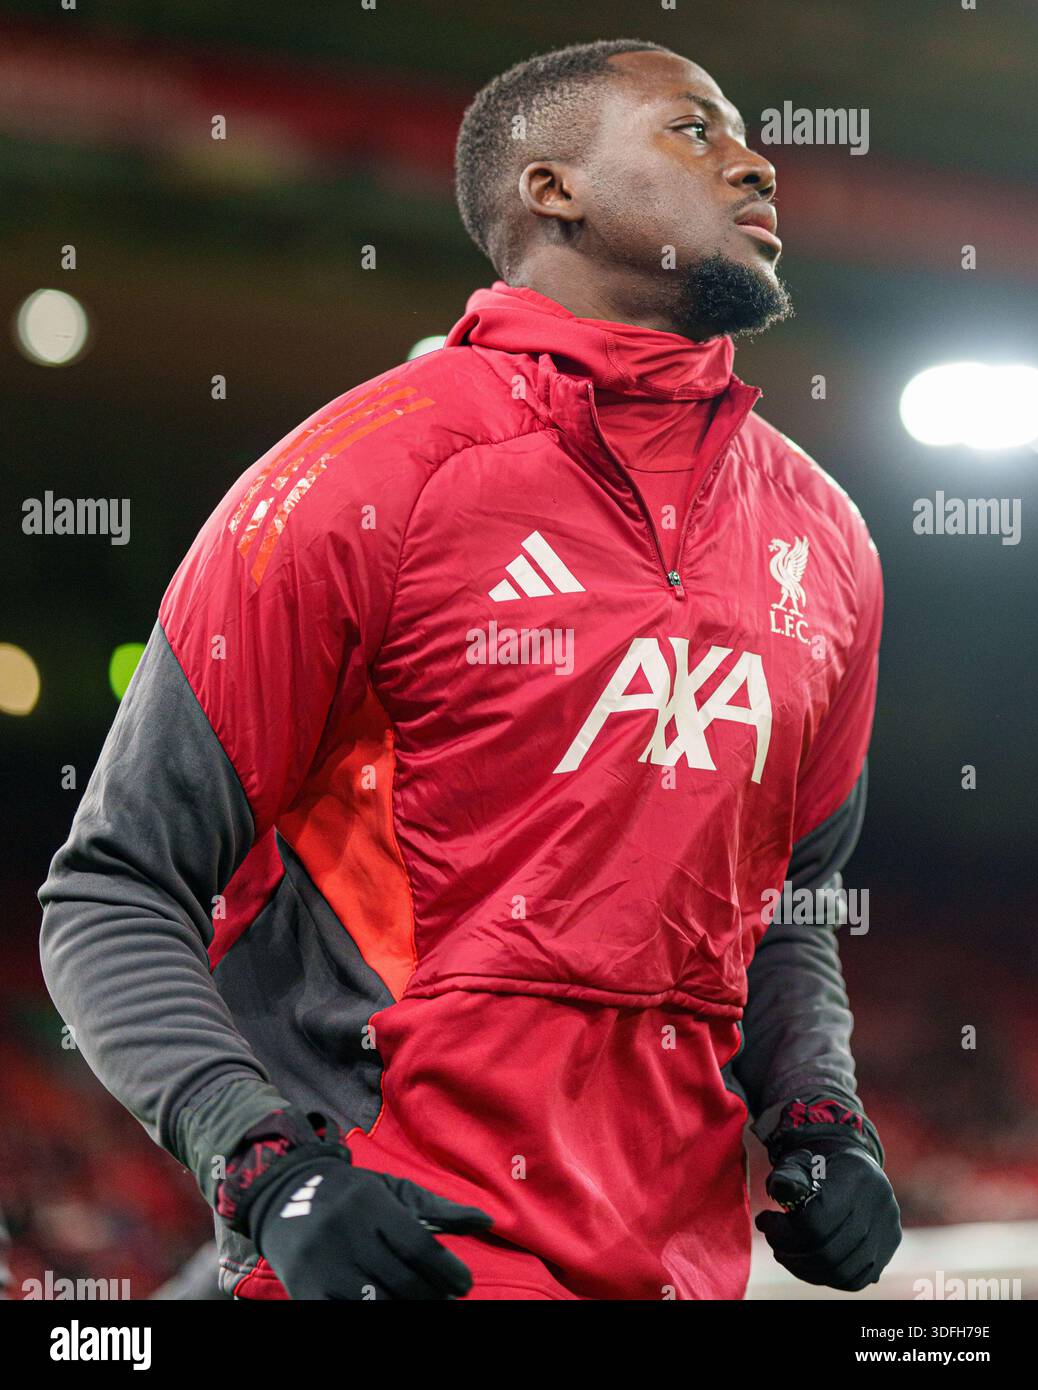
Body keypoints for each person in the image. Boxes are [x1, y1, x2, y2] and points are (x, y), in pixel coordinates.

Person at [39, 38, 900, 1300]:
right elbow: (113, 887)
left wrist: (820, 1114)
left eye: (745, 129)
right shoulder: (357, 478)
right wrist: (262, 1163)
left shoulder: (824, 538)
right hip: (403, 1255)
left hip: (682, 1269)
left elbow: (789, 901)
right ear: (550, 188)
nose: (753, 158)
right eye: (691, 128)